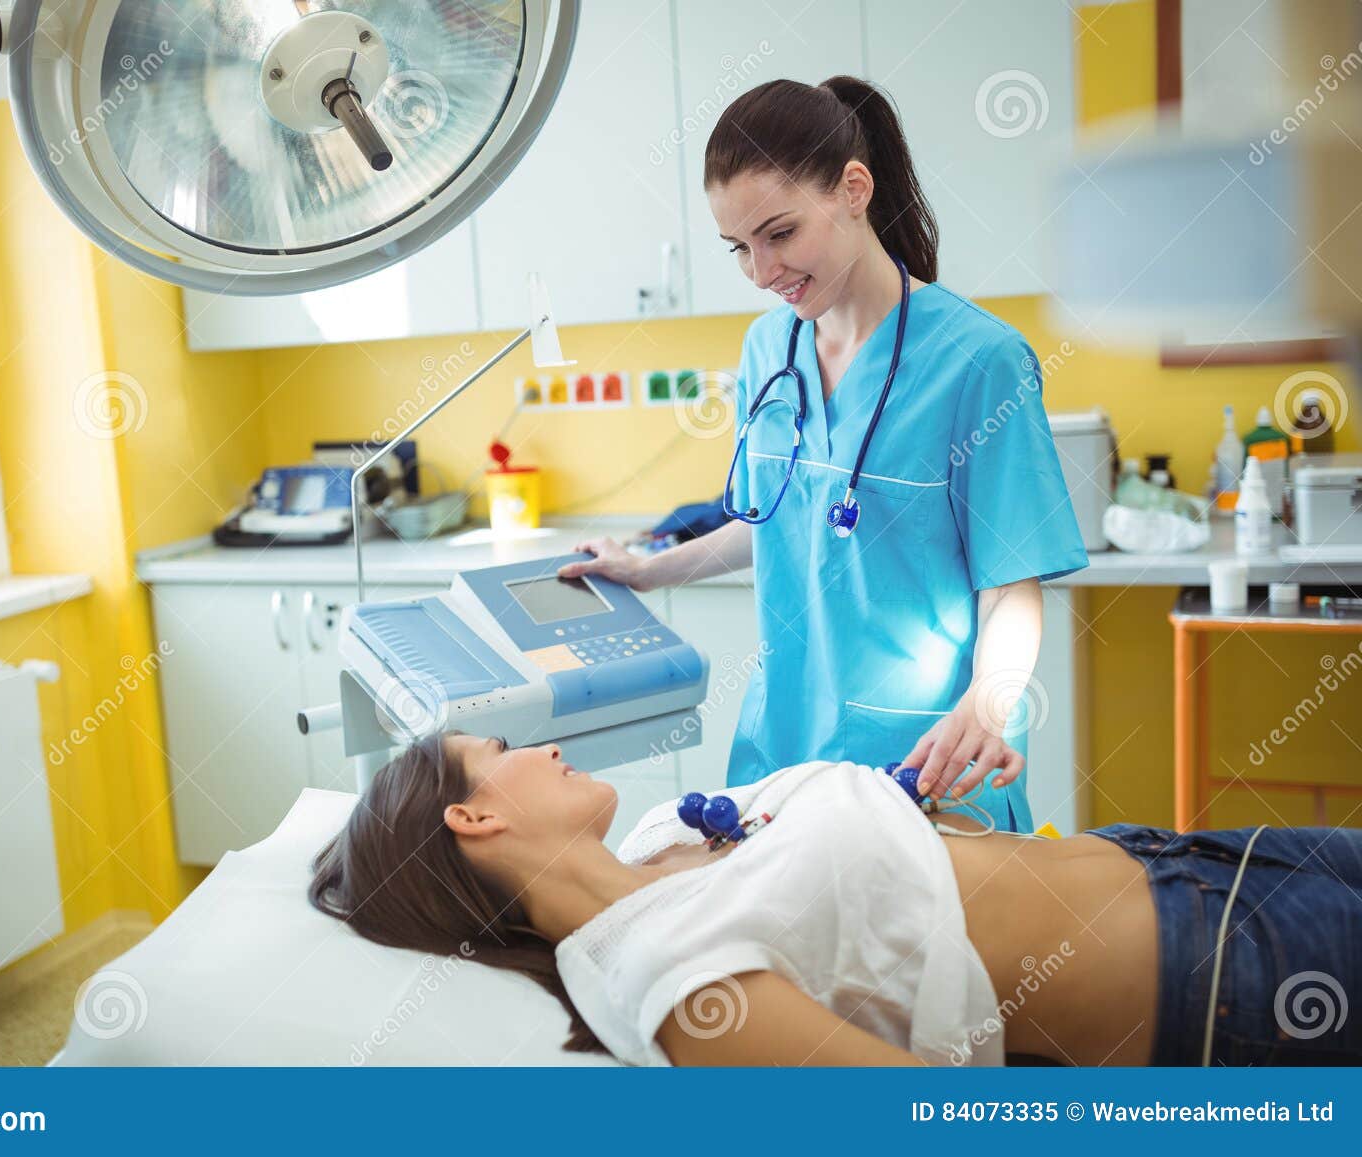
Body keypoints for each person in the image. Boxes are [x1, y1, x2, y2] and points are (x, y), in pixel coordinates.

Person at [560, 76, 1087, 832]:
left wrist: (989, 702)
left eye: (780, 234)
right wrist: (650, 569)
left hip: (927, 761)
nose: (761, 272)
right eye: (739, 248)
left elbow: (1012, 583)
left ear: (853, 189)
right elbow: (778, 520)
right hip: (784, 751)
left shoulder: (979, 361)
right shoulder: (767, 348)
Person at [310, 733, 1362, 1067]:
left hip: (1199, 856)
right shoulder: (662, 980)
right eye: (501, 754)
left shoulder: (663, 839)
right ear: (475, 819)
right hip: (1224, 975)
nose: (541, 745)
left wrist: (918, 810)